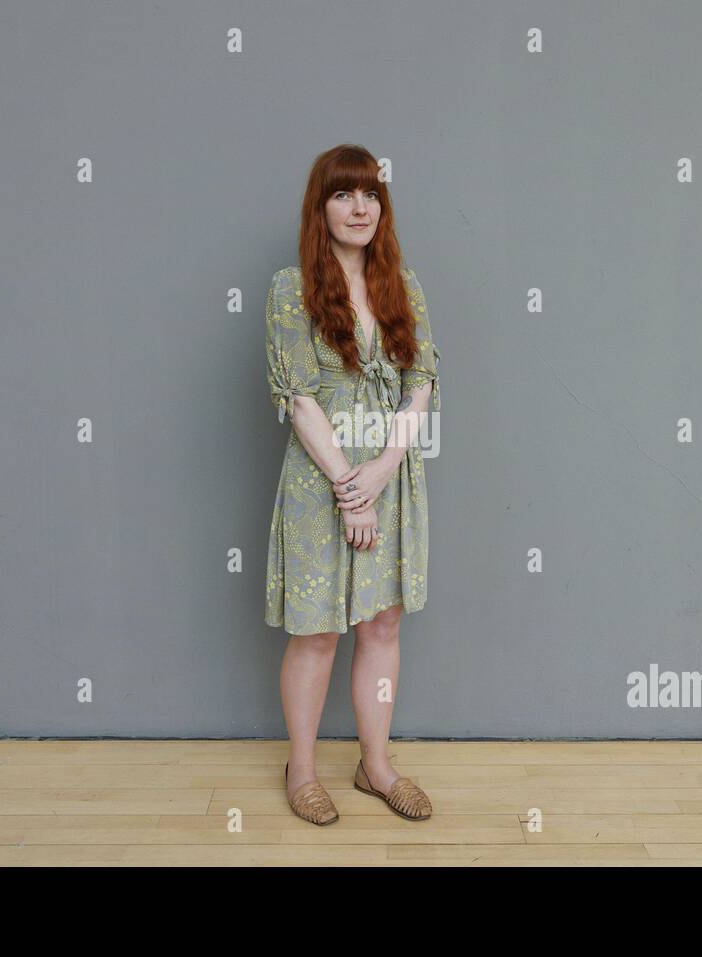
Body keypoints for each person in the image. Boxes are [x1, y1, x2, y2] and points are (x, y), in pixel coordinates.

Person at [264, 144, 441, 825]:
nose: (360, 205)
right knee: (316, 632)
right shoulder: (292, 288)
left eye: (370, 193)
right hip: (322, 480)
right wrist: (349, 485)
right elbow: (299, 396)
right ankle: (302, 770)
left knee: (382, 622)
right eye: (344, 194)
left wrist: (384, 469)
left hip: (390, 475)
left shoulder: (404, 283)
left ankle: (376, 764)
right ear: (321, 206)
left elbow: (420, 382)